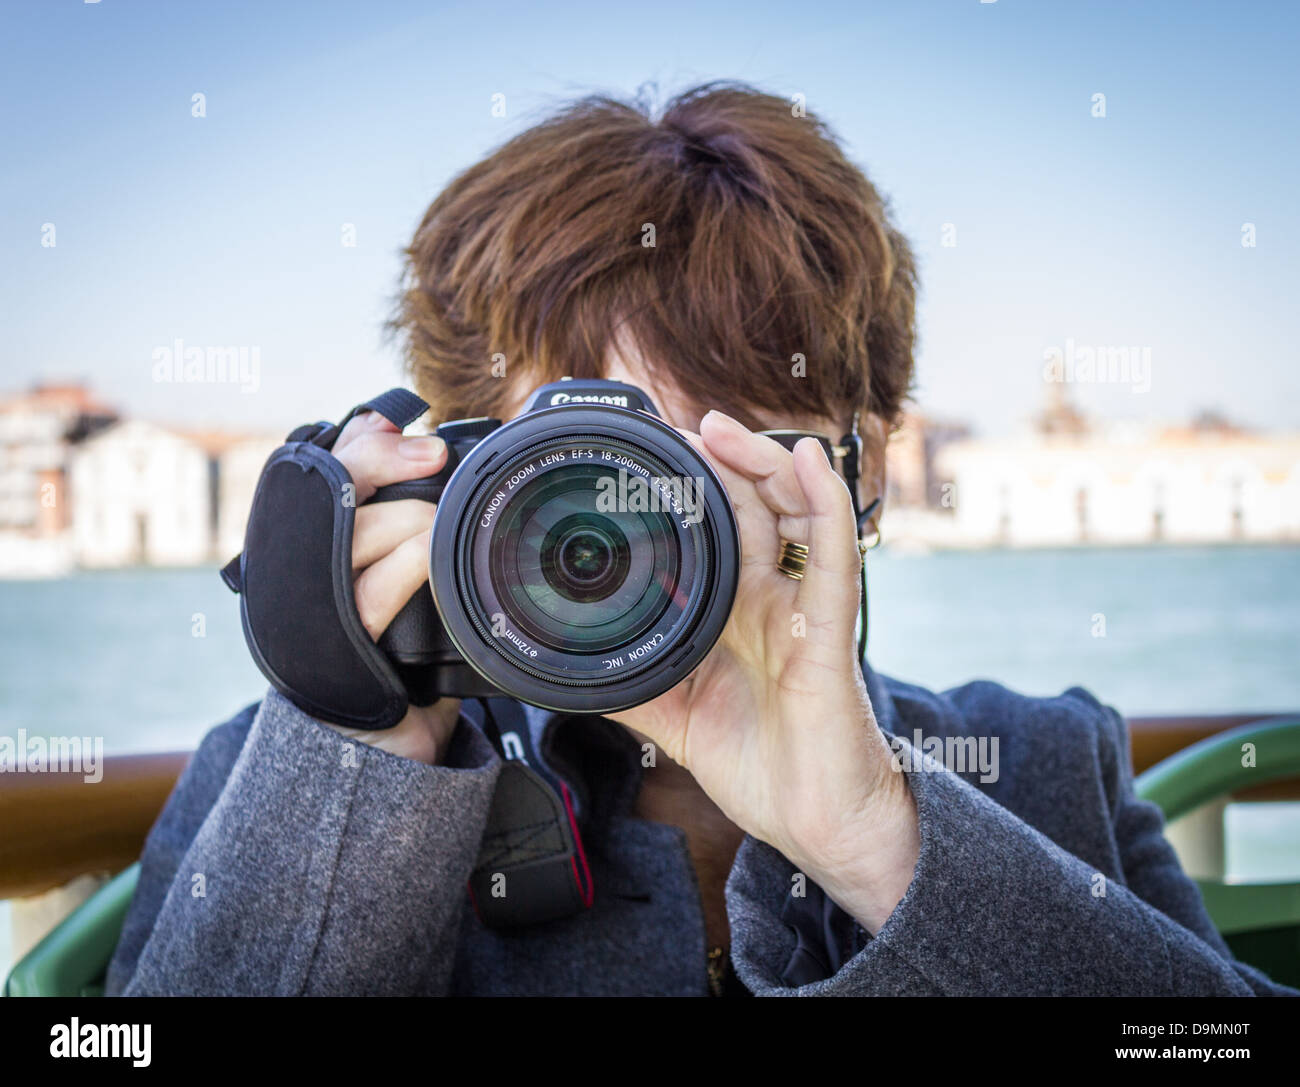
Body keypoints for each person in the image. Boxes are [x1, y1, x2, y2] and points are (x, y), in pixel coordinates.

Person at [106, 82, 1295, 996]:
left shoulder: (1038, 765)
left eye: (719, 455)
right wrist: (351, 751)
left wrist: (883, 840)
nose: (646, 523)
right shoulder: (304, 772)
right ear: (452, 475)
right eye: (573, 470)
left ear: (862, 471)